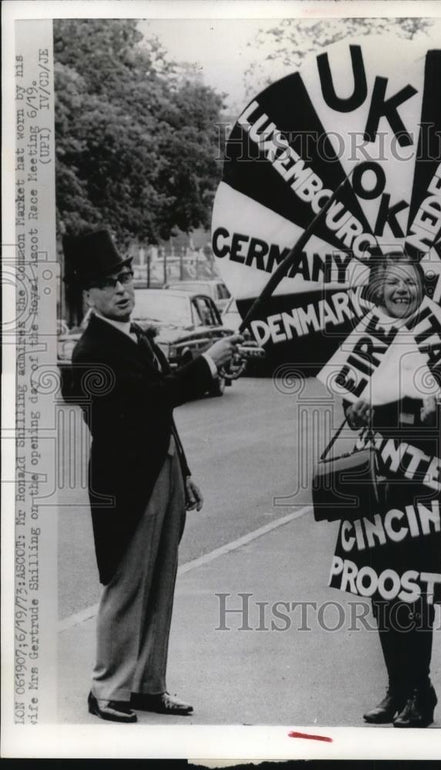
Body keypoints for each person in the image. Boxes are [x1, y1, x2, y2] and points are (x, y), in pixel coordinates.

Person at [61, 229, 244, 723]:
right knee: (126, 582)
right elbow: (149, 400)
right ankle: (107, 689)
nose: (121, 289)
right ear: (89, 294)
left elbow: (159, 413)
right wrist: (207, 364)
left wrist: (181, 470)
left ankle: (145, 684)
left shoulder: (133, 336)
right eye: (107, 283)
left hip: (158, 471)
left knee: (160, 579)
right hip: (125, 481)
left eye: (124, 277)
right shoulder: (92, 351)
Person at [328, 251, 441, 728]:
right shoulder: (365, 340)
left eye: (410, 281)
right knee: (379, 579)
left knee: (413, 581)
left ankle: (421, 690)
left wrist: (438, 410)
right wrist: (354, 411)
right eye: (392, 282)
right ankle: (398, 687)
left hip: (426, 477)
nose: (401, 290)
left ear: (423, 288)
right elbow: (354, 404)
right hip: (376, 474)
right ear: (377, 289)